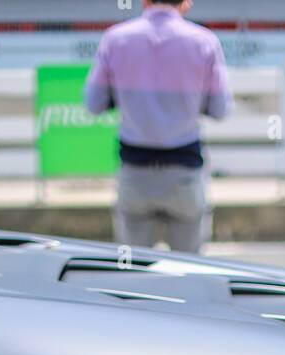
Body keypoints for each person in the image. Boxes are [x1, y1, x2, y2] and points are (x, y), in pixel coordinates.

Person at [84, 0, 232, 253]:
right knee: (190, 269)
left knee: (135, 272)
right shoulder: (205, 42)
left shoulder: (115, 39)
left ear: (145, 1)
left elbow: (93, 103)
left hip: (135, 169)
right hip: (184, 170)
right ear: (186, 3)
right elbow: (220, 109)